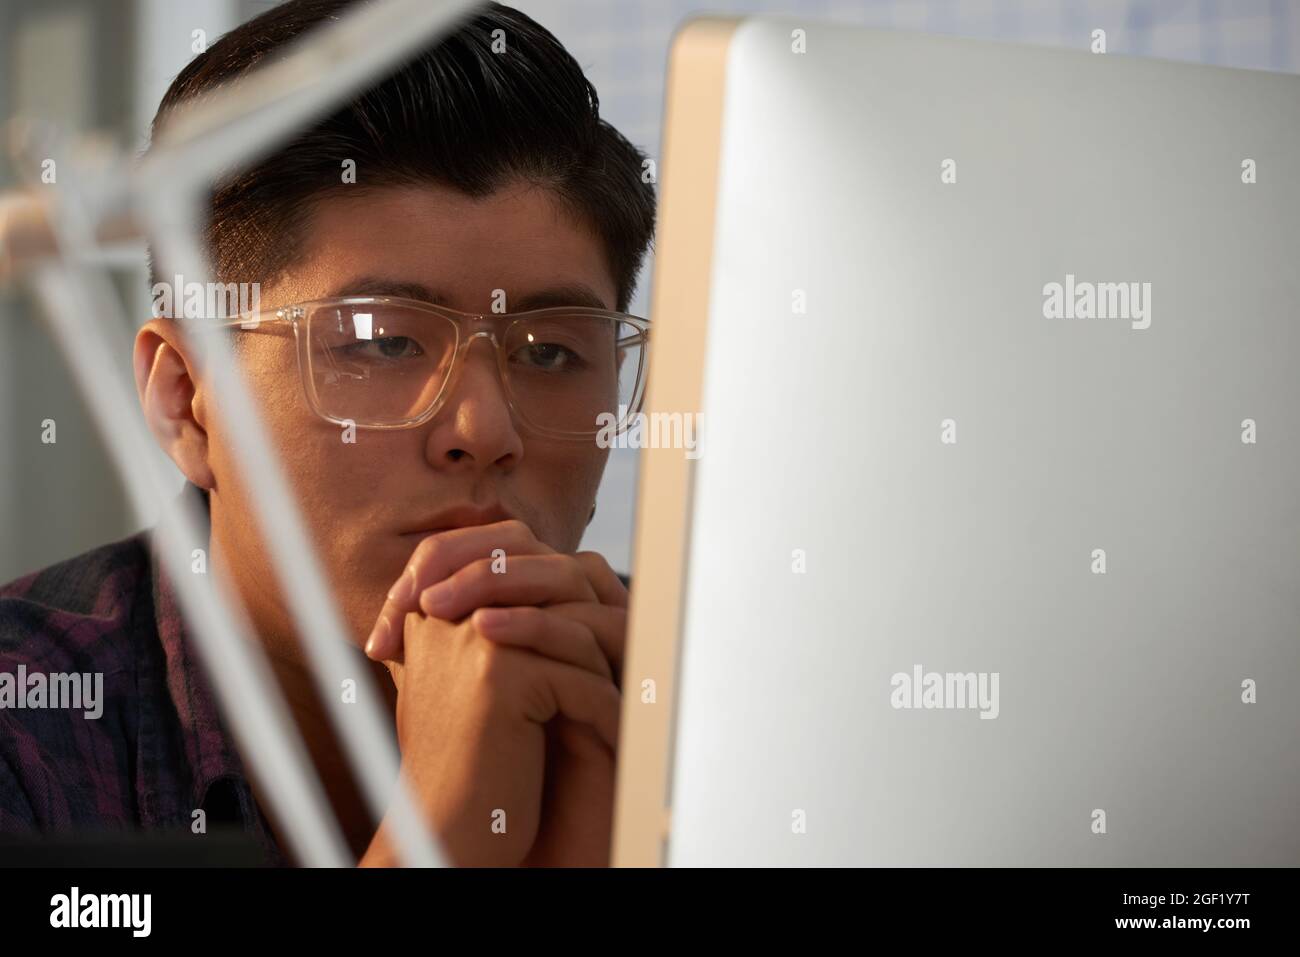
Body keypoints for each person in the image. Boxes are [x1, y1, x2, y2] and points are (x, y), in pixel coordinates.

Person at [0, 0, 655, 867]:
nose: (485, 429)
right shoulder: (33, 727)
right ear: (186, 399)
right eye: (383, 342)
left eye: (551, 351)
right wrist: (441, 836)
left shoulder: (713, 697)